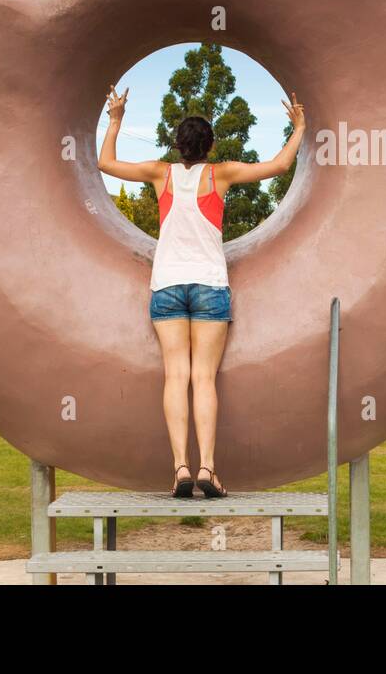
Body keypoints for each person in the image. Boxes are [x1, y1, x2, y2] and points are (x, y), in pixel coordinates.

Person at [98, 85, 305, 498]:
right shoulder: (221, 174)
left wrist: (116, 119)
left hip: (168, 285)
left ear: (178, 146)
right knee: (204, 379)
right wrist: (298, 127)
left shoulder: (160, 173)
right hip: (210, 285)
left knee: (176, 376)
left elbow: (105, 162)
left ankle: (180, 470)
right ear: (210, 146)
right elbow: (280, 166)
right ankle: (208, 469)